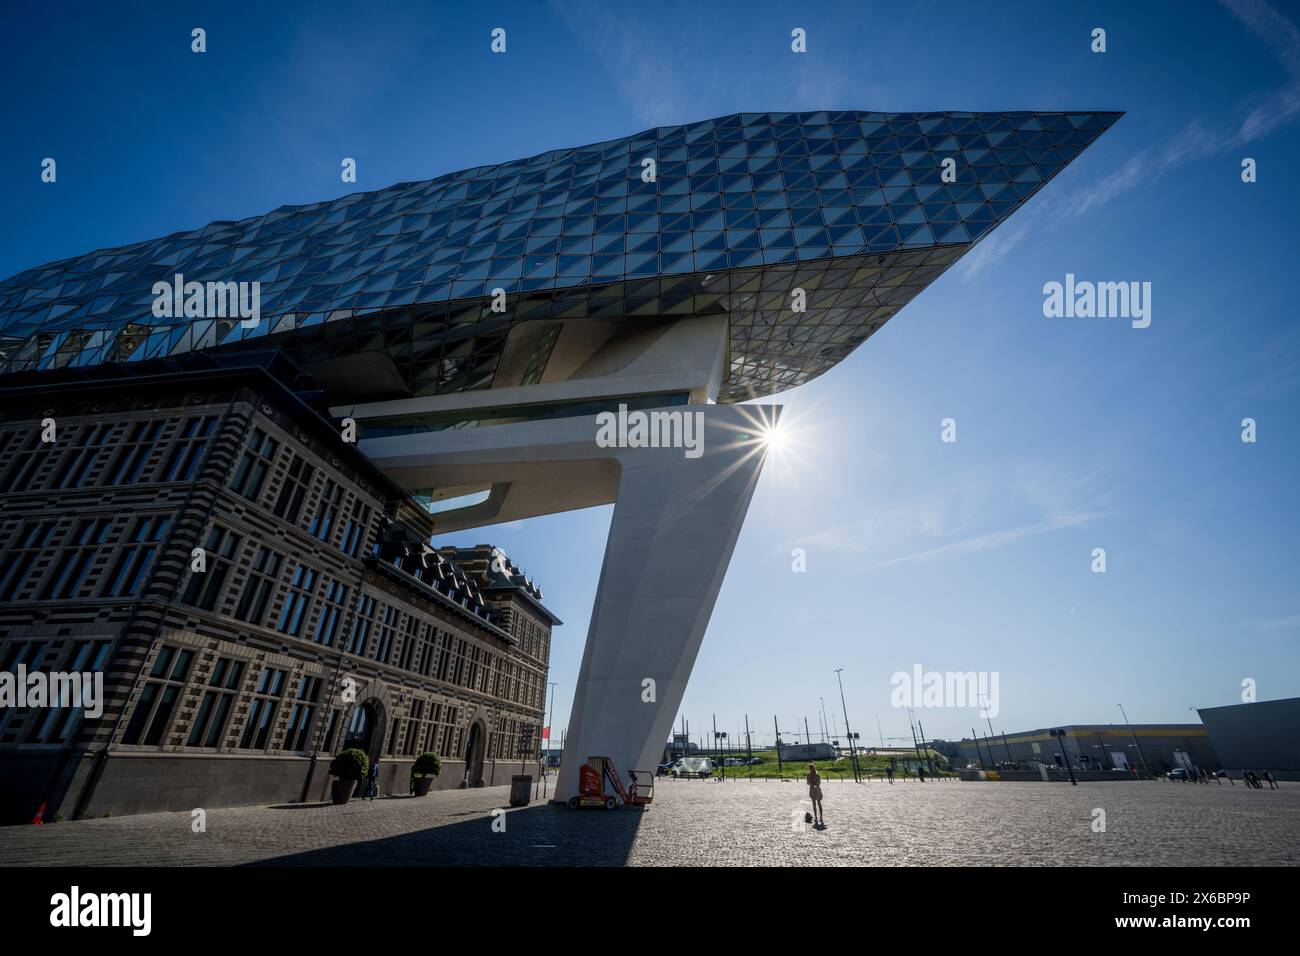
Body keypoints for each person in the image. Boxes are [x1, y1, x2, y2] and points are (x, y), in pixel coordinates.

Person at [806, 763, 824, 828]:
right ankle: (816, 817)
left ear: (814, 768)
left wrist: (815, 782)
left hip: (817, 790)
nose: (811, 769)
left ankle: (821, 817)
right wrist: (809, 779)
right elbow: (807, 783)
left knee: (819, 803)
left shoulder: (817, 775)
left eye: (812, 768)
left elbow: (819, 783)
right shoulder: (808, 775)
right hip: (812, 790)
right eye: (810, 768)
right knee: (814, 804)